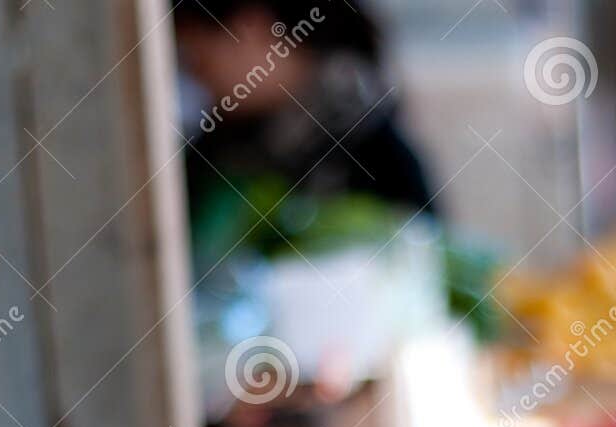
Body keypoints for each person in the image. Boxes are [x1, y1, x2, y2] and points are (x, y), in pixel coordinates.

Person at [173, 0, 435, 270]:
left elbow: (430, 261)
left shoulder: (375, 148)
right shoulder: (215, 150)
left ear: (250, 27)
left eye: (198, 61)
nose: (197, 79)